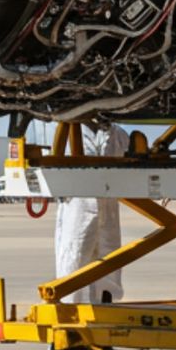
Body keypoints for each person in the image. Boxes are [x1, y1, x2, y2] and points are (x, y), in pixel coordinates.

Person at [53, 122, 130, 303]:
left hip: (107, 204)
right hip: (78, 205)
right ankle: (70, 303)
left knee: (109, 254)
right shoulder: (65, 132)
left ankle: (106, 303)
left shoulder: (117, 133)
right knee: (76, 256)